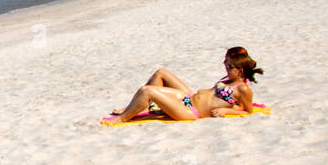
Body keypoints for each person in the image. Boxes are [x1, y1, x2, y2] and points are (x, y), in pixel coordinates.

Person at [111, 47, 262, 122]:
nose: (225, 66)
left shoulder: (243, 89)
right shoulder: (228, 79)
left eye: (229, 66)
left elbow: (247, 111)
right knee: (161, 73)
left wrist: (227, 111)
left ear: (240, 70)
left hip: (190, 112)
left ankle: (123, 118)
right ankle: (139, 106)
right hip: (189, 98)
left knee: (147, 91)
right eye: (226, 63)